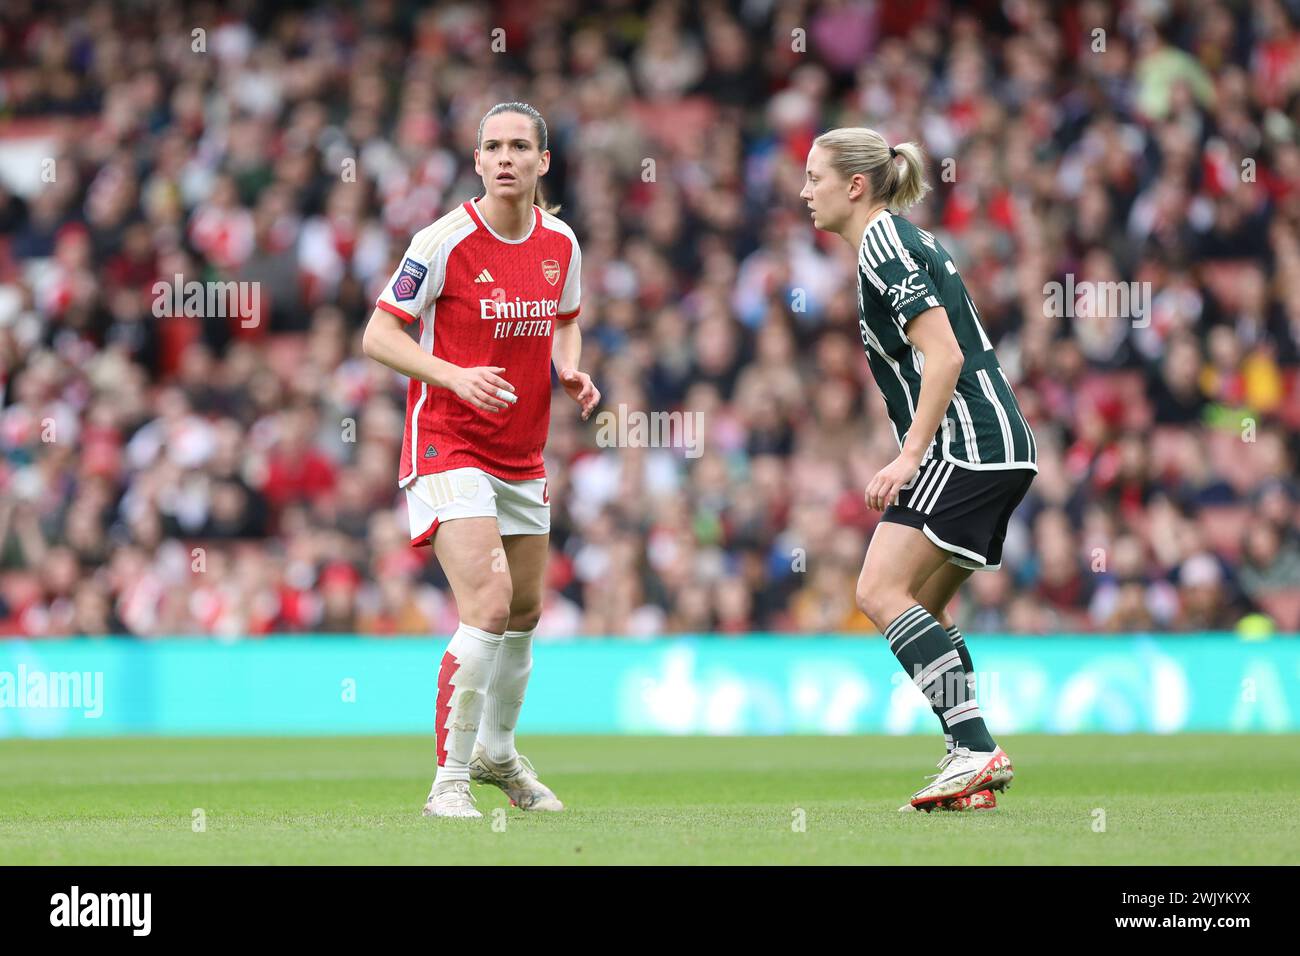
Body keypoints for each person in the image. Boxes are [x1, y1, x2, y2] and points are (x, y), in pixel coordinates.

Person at [362, 102, 600, 818]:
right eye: (492, 145)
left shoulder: (560, 242)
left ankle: (499, 752)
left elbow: (567, 319)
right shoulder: (442, 242)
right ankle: (449, 783)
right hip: (446, 442)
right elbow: (378, 335)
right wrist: (453, 374)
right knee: (489, 604)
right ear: (476, 161)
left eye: (519, 146)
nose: (505, 157)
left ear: (542, 162)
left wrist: (569, 368)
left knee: (526, 610)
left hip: (521, 452)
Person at [800, 129, 1036, 812]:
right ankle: (972, 767)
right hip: (1001, 447)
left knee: (877, 589)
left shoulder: (882, 243)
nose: (804, 190)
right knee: (921, 606)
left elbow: (946, 355)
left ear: (854, 185)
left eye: (815, 177)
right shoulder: (906, 237)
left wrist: (909, 454)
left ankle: (973, 747)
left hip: (968, 445)